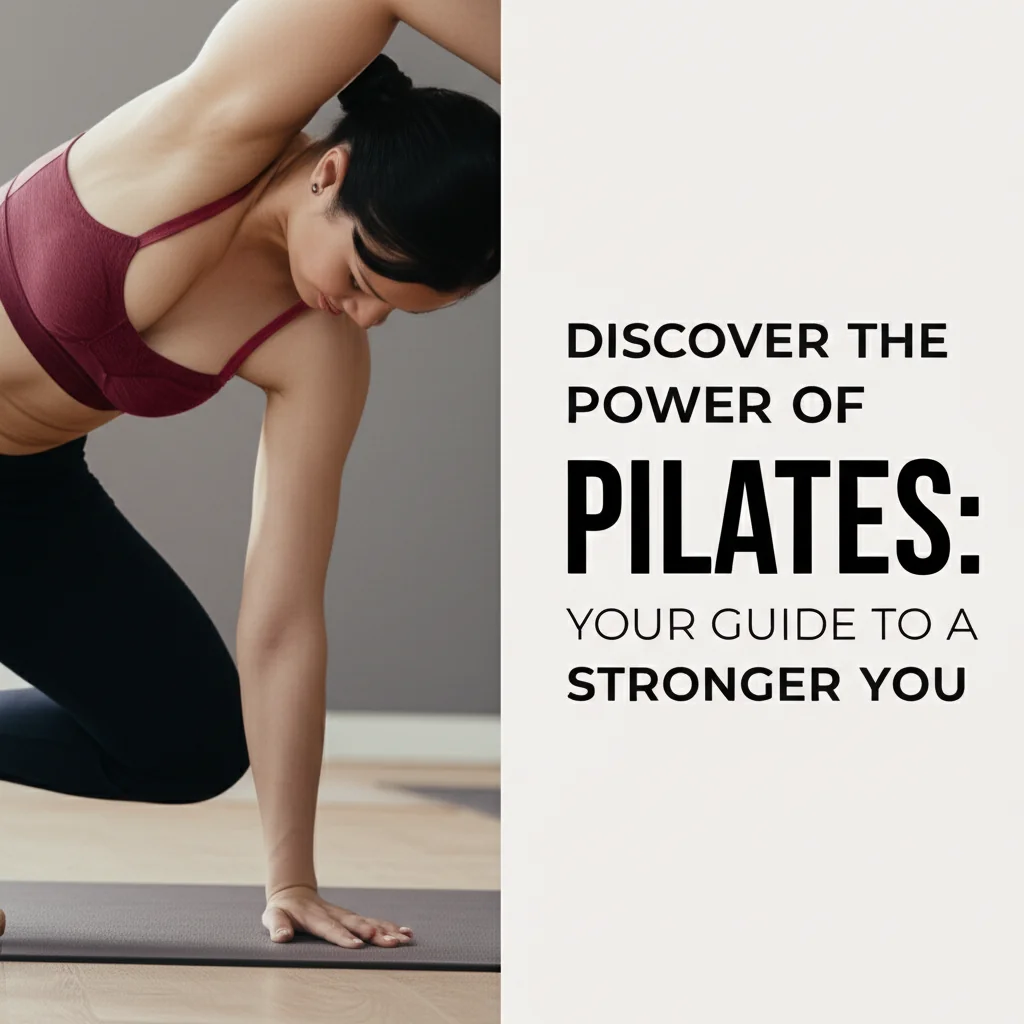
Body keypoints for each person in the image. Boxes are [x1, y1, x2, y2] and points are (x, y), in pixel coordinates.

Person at [0, 0, 499, 950]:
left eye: (392, 311)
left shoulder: (317, 351)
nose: (360, 316)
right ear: (330, 172)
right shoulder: (214, 130)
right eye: (361, 278)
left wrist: (293, 880)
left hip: (22, 489)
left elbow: (281, 618)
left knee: (188, 741)